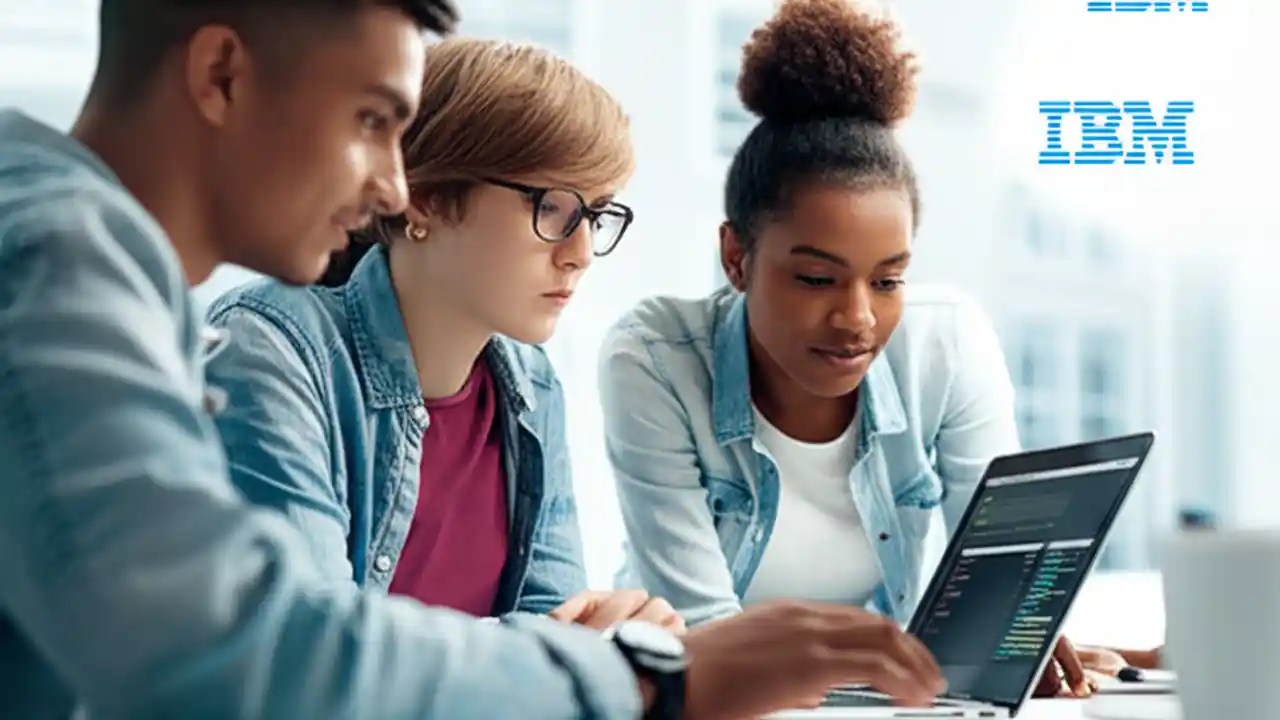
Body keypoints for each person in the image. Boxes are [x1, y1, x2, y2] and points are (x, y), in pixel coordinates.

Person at [0, 1, 946, 717]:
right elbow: (239, 655)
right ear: (221, 75)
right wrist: (645, 677)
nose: (390, 183)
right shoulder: (55, 261)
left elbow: (549, 617)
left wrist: (600, 655)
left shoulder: (104, 275)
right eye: (371, 121)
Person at [598, 0, 1096, 699]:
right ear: (736, 257)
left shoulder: (945, 344)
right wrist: (908, 666)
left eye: (888, 280)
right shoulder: (656, 361)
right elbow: (705, 642)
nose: (858, 319)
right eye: (815, 278)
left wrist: (1018, 644)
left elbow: (998, 593)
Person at [204, 36, 682, 634]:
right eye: (552, 207)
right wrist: (558, 650)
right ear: (424, 199)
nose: (580, 253)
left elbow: (558, 628)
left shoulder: (531, 384)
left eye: (596, 215)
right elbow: (315, 647)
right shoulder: (270, 353)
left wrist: (609, 638)